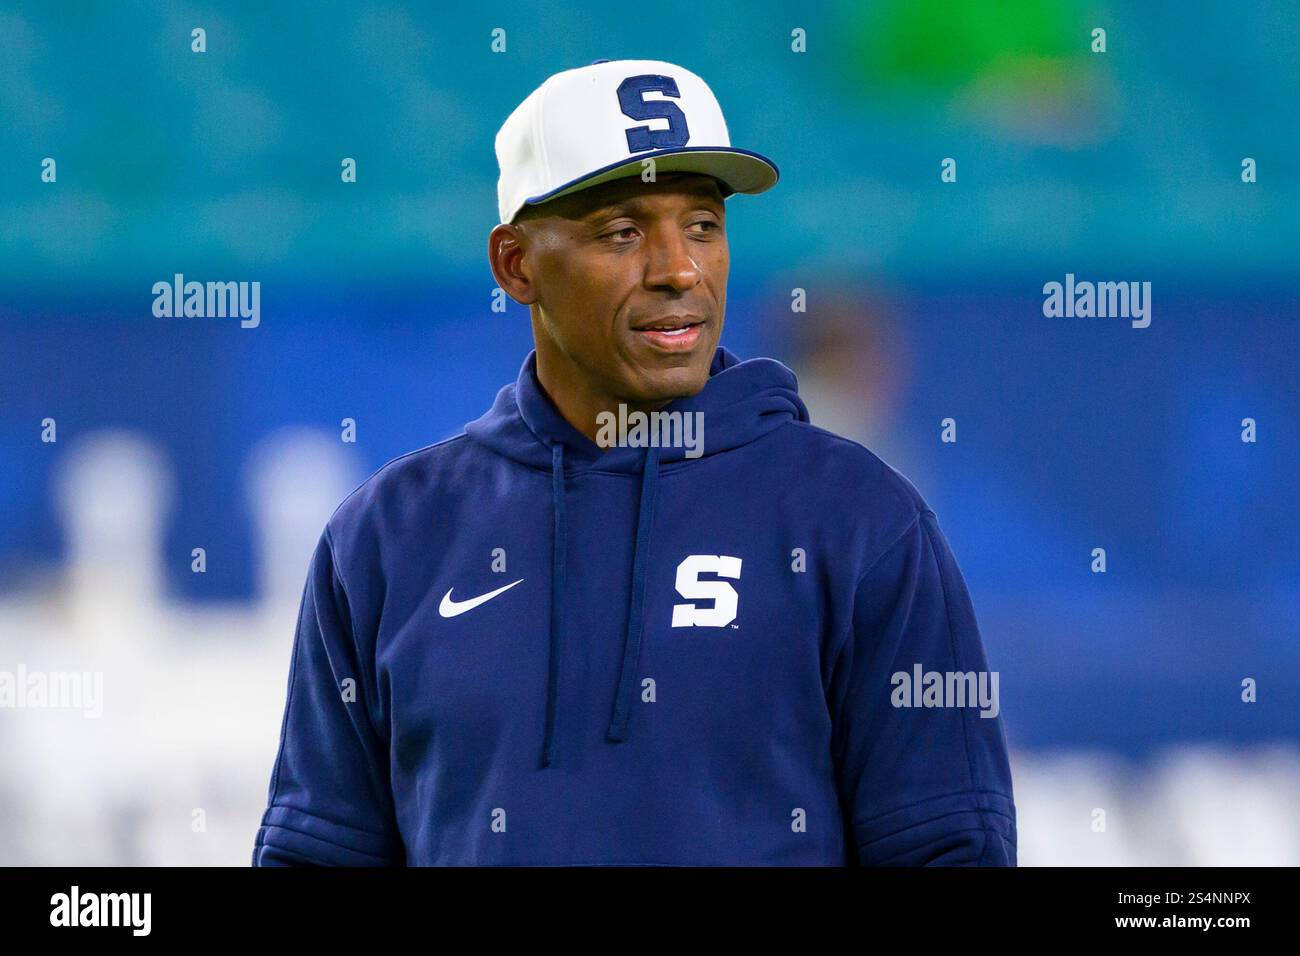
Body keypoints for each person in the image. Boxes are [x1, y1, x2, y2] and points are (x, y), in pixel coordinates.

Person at [253, 58, 1016, 866]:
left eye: (702, 226)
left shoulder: (859, 518)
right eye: (623, 232)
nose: (678, 270)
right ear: (516, 264)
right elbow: (318, 852)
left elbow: (946, 847)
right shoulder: (386, 537)